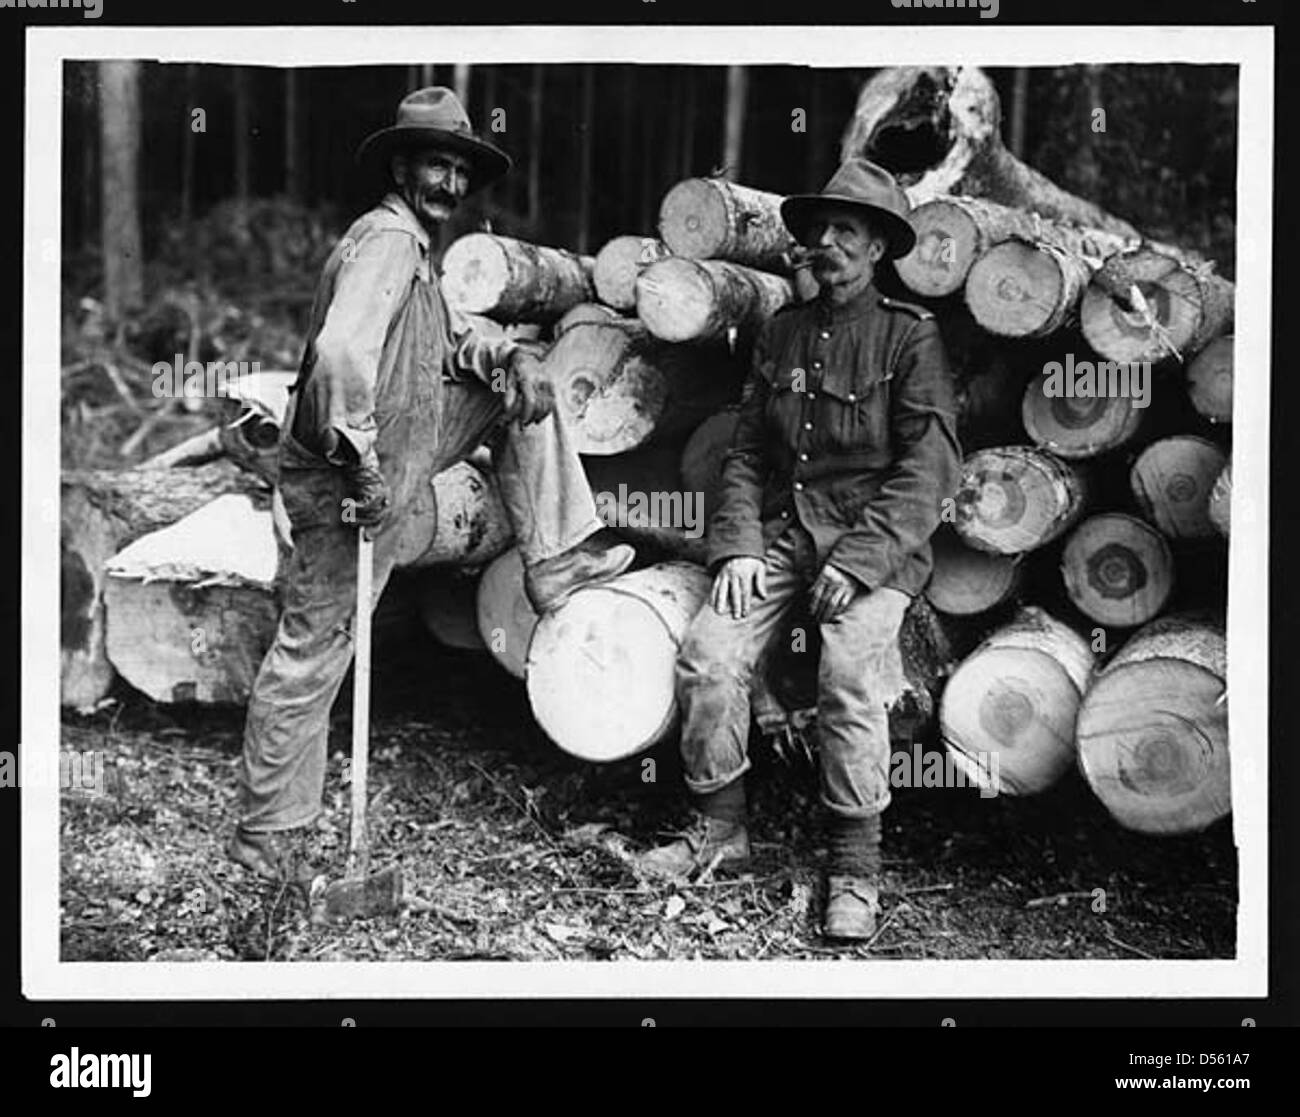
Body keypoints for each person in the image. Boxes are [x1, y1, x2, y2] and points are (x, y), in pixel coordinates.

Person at [228, 87, 632, 881]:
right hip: (350, 481)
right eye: (434, 166)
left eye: (457, 169)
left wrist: (510, 354)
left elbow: (452, 340)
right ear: (401, 166)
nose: (448, 183)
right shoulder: (382, 242)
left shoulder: (413, 251)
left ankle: (552, 557)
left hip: (406, 453)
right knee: (318, 648)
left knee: (520, 387)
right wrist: (364, 461)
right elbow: (342, 357)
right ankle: (261, 838)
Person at [634, 159, 962, 940]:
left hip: (872, 546)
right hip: (787, 534)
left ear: (879, 248)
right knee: (708, 653)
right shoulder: (780, 332)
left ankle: (853, 864)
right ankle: (720, 829)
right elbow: (746, 453)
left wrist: (859, 562)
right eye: (820, 228)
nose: (828, 243)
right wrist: (739, 546)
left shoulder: (910, 336)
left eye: (848, 230)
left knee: (849, 675)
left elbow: (930, 465)